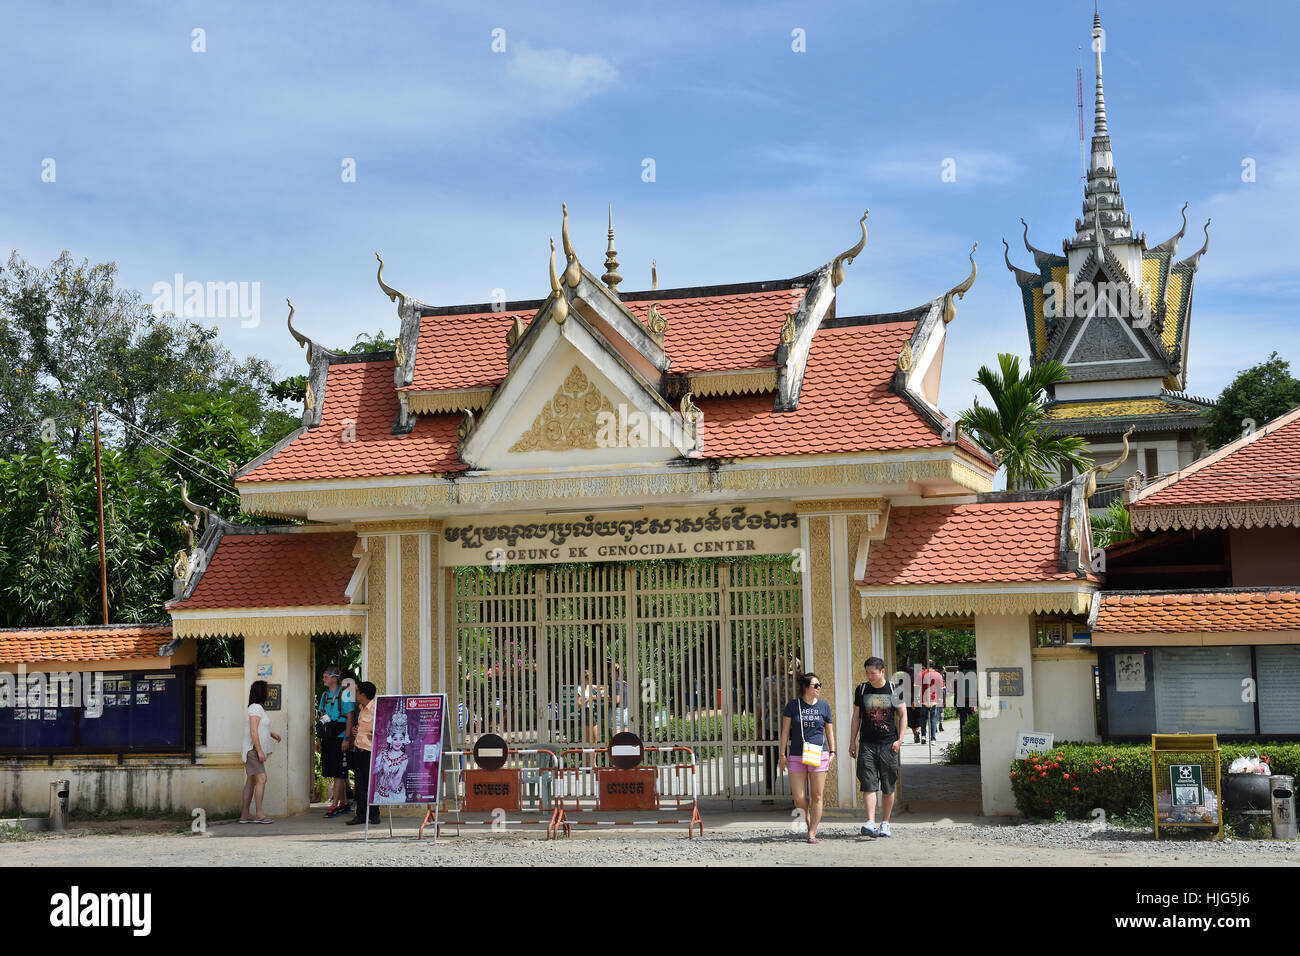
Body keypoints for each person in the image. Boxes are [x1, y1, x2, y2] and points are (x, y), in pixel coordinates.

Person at [849, 657, 906, 838]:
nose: (869, 676)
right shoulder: (861, 689)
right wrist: (852, 741)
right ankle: (870, 822)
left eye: (873, 673)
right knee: (868, 783)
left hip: (889, 744)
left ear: (882, 671)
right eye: (867, 673)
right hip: (867, 744)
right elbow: (856, 717)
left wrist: (900, 740)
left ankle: (885, 823)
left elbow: (903, 715)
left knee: (888, 785)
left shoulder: (894, 689)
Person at [779, 672, 835, 844]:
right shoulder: (792, 706)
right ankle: (808, 817)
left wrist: (832, 752)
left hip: (819, 753)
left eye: (819, 685)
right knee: (798, 797)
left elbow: (829, 731)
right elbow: (785, 731)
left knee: (817, 795)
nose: (819, 688)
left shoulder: (824, 706)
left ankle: (812, 831)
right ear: (805, 687)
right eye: (815, 685)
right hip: (797, 754)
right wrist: (782, 754)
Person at [240, 680, 281, 824]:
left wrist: (271, 734)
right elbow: (253, 731)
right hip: (253, 750)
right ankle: (259, 814)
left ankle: (245, 815)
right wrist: (259, 751)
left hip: (253, 750)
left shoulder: (258, 708)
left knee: (251, 781)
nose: (269, 692)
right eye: (267, 689)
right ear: (261, 692)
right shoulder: (255, 708)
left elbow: (259, 728)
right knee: (262, 779)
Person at [317, 665, 356, 818]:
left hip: (339, 736)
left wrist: (347, 738)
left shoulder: (345, 693)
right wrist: (319, 739)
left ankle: (334, 804)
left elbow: (350, 716)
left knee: (339, 772)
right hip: (328, 735)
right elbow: (321, 718)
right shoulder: (324, 695)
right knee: (332, 770)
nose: (324, 679)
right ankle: (344, 803)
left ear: (334, 678)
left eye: (326, 677)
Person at [759, 657, 798, 796]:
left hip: (772, 726)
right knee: (793, 760)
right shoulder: (794, 682)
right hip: (792, 726)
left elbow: (760, 704)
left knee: (770, 760)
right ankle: (795, 793)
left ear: (774, 666)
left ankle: (769, 792)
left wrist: (758, 725)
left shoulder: (767, 682)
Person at [346, 681, 380, 826]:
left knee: (371, 784)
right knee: (360, 785)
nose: (356, 695)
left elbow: (380, 730)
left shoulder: (376, 709)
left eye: (358, 692)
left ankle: (375, 815)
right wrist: (356, 730)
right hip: (359, 750)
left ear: (364, 694)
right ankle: (361, 815)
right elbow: (362, 727)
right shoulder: (361, 708)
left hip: (370, 752)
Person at [921, 660, 946, 743]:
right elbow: (941, 689)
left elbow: (917, 688)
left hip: (923, 700)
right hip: (934, 699)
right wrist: (943, 700)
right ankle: (933, 739)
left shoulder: (921, 674)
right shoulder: (938, 675)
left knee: (923, 718)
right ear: (933, 665)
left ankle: (923, 736)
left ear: (925, 665)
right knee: (933, 719)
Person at [609, 664, 630, 734]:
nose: (610, 675)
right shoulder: (625, 683)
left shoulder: (616, 683)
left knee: (616, 735)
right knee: (625, 735)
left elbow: (617, 700)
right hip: (625, 710)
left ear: (616, 673)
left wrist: (604, 698)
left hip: (617, 711)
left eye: (611, 673)